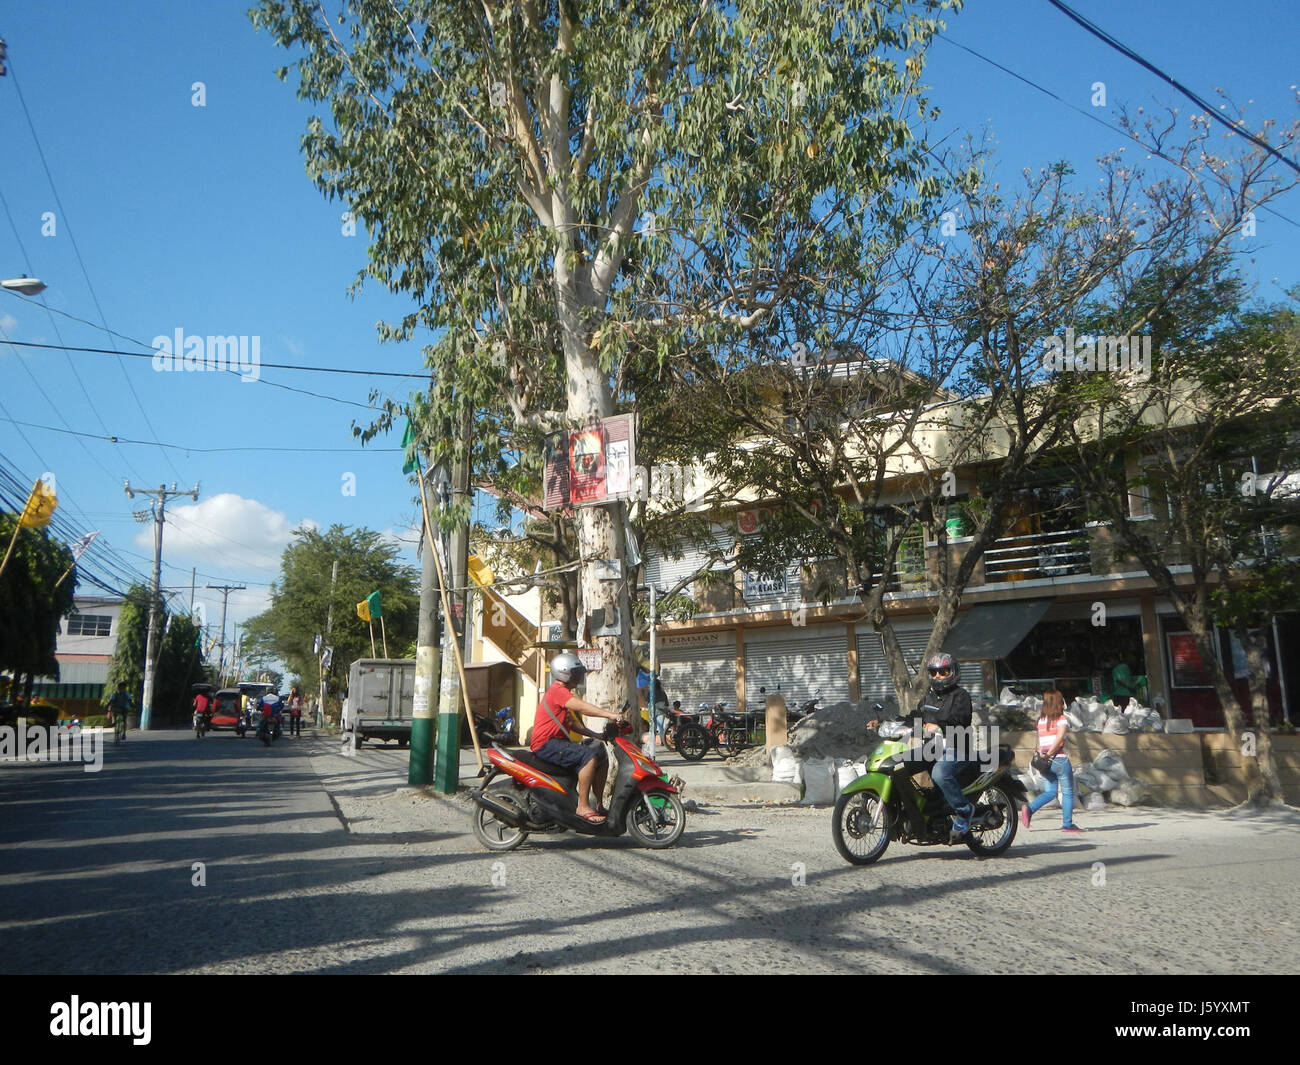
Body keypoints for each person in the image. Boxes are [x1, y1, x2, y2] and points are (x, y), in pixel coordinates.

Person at [532, 652, 624, 824]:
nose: (578, 677)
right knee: (587, 757)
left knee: (600, 753)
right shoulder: (558, 691)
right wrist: (609, 715)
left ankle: (598, 805)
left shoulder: (562, 693)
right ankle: (582, 806)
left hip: (556, 743)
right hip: (546, 744)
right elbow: (582, 708)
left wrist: (596, 735)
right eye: (575, 673)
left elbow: (573, 724)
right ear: (564, 673)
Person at [916, 651, 978, 843]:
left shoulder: (961, 696)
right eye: (934, 672)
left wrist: (939, 726)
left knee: (940, 774)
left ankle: (965, 810)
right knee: (904, 764)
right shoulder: (928, 698)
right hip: (932, 748)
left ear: (952, 672)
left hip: (958, 749)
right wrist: (888, 724)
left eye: (943, 672)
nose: (938, 676)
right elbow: (915, 717)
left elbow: (959, 720)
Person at [1022, 689, 1084, 834]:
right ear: (1058, 703)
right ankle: (1067, 825)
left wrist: (1043, 755)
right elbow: (1059, 738)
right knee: (1068, 792)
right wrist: (1050, 754)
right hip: (1058, 760)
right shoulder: (1061, 719)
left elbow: (1039, 742)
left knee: (1050, 792)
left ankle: (1029, 809)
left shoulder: (1040, 721)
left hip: (1044, 763)